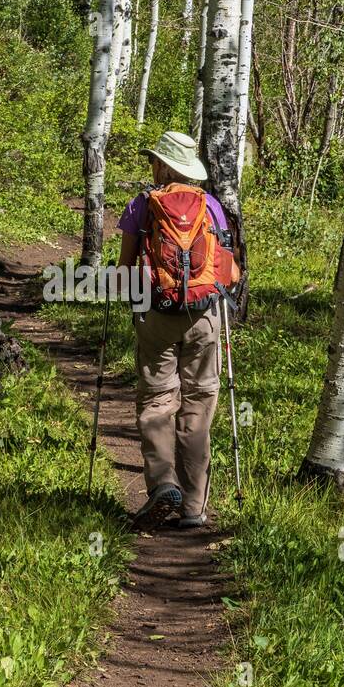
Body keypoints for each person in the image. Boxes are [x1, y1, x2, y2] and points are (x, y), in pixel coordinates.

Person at [117, 130, 234, 531]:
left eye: (154, 160)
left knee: (156, 400)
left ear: (164, 165)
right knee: (199, 402)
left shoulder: (141, 206)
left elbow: (125, 269)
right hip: (205, 315)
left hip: (156, 314)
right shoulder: (213, 207)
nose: (152, 166)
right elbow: (227, 268)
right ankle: (194, 506)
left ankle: (163, 483)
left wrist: (133, 306)